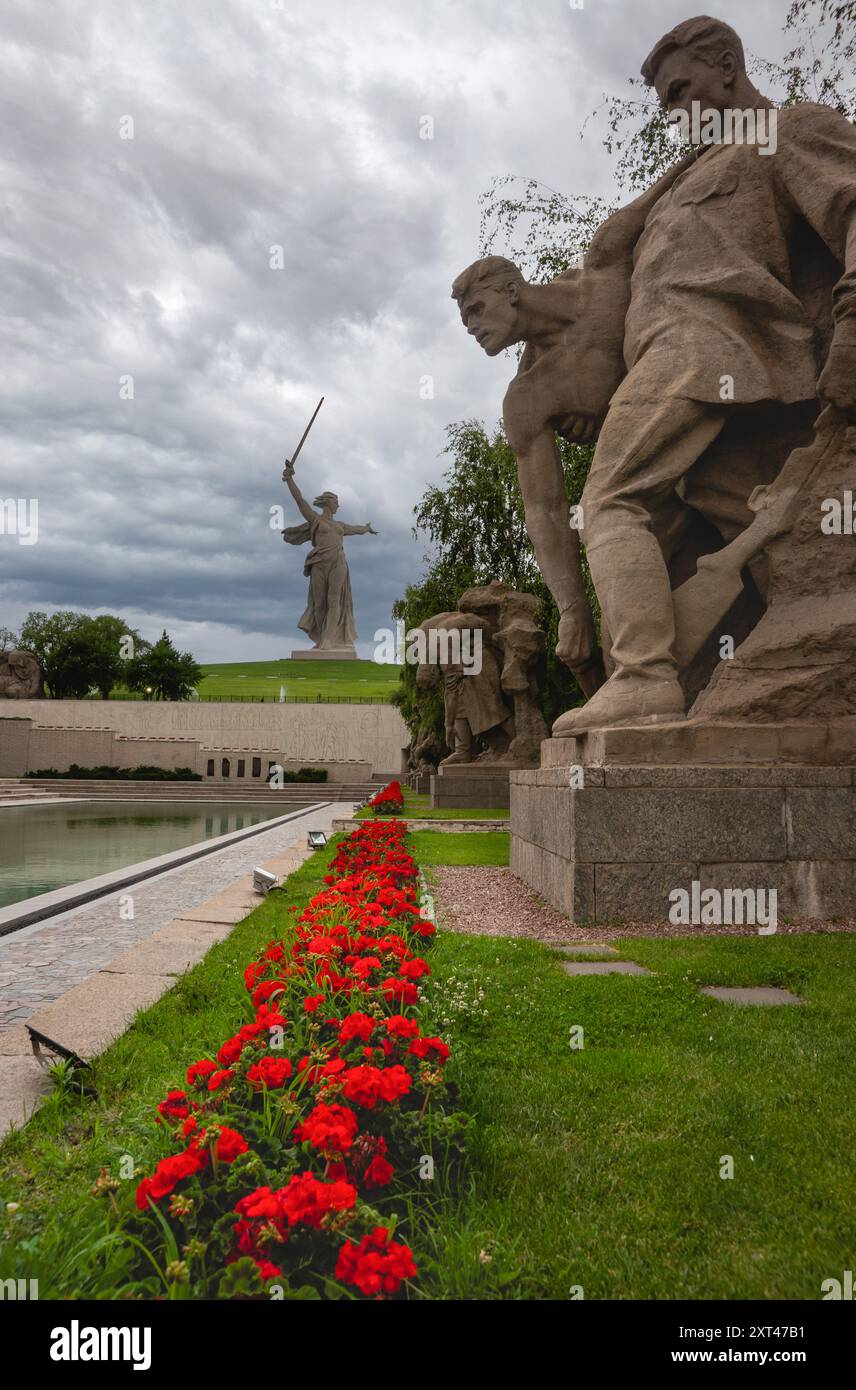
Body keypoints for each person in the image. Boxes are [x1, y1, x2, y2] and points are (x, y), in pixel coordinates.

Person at [552, 14, 856, 735]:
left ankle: (645, 678)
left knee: (611, 500)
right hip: (687, 373)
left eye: (682, 89)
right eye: (664, 103)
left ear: (727, 63)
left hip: (711, 347)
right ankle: (794, 646)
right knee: (760, 536)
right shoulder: (691, 176)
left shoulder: (788, 130)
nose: (675, 113)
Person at [282, 460, 376, 653]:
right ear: (327, 502)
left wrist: (366, 528)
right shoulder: (315, 520)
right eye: (336, 502)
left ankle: (328, 640)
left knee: (334, 600)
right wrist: (290, 479)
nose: (338, 505)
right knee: (319, 603)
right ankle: (320, 637)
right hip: (319, 563)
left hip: (337, 563)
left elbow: (356, 529)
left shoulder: (340, 525)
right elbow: (300, 501)